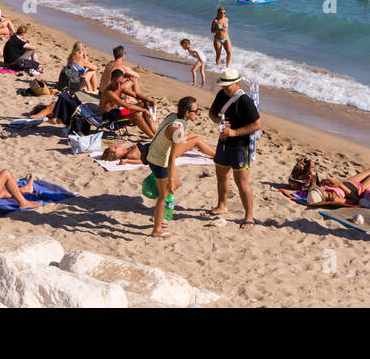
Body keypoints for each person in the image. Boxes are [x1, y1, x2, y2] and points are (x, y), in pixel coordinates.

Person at [143, 96, 215, 238]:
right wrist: (171, 178)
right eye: (196, 110)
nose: (198, 113)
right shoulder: (178, 129)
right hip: (160, 161)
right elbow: (172, 157)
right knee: (164, 195)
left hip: (153, 154)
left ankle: (160, 217)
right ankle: (157, 229)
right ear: (187, 112)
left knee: (171, 189)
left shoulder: (174, 117)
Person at [205, 68, 261, 230]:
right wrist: (219, 121)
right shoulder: (222, 95)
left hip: (240, 146)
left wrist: (234, 132)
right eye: (223, 85)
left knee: (241, 183)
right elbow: (212, 112)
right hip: (223, 143)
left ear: (237, 83)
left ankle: (249, 216)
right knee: (221, 176)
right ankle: (222, 206)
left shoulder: (245, 101)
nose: (224, 88)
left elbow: (257, 125)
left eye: (227, 86)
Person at [99, 69, 158, 138]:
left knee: (143, 103)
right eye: (116, 82)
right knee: (137, 115)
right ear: (111, 79)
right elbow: (127, 106)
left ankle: (152, 130)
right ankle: (153, 137)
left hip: (118, 113)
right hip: (110, 120)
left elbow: (136, 95)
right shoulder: (109, 93)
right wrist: (144, 110)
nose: (118, 85)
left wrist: (149, 100)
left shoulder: (120, 86)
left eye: (120, 82)